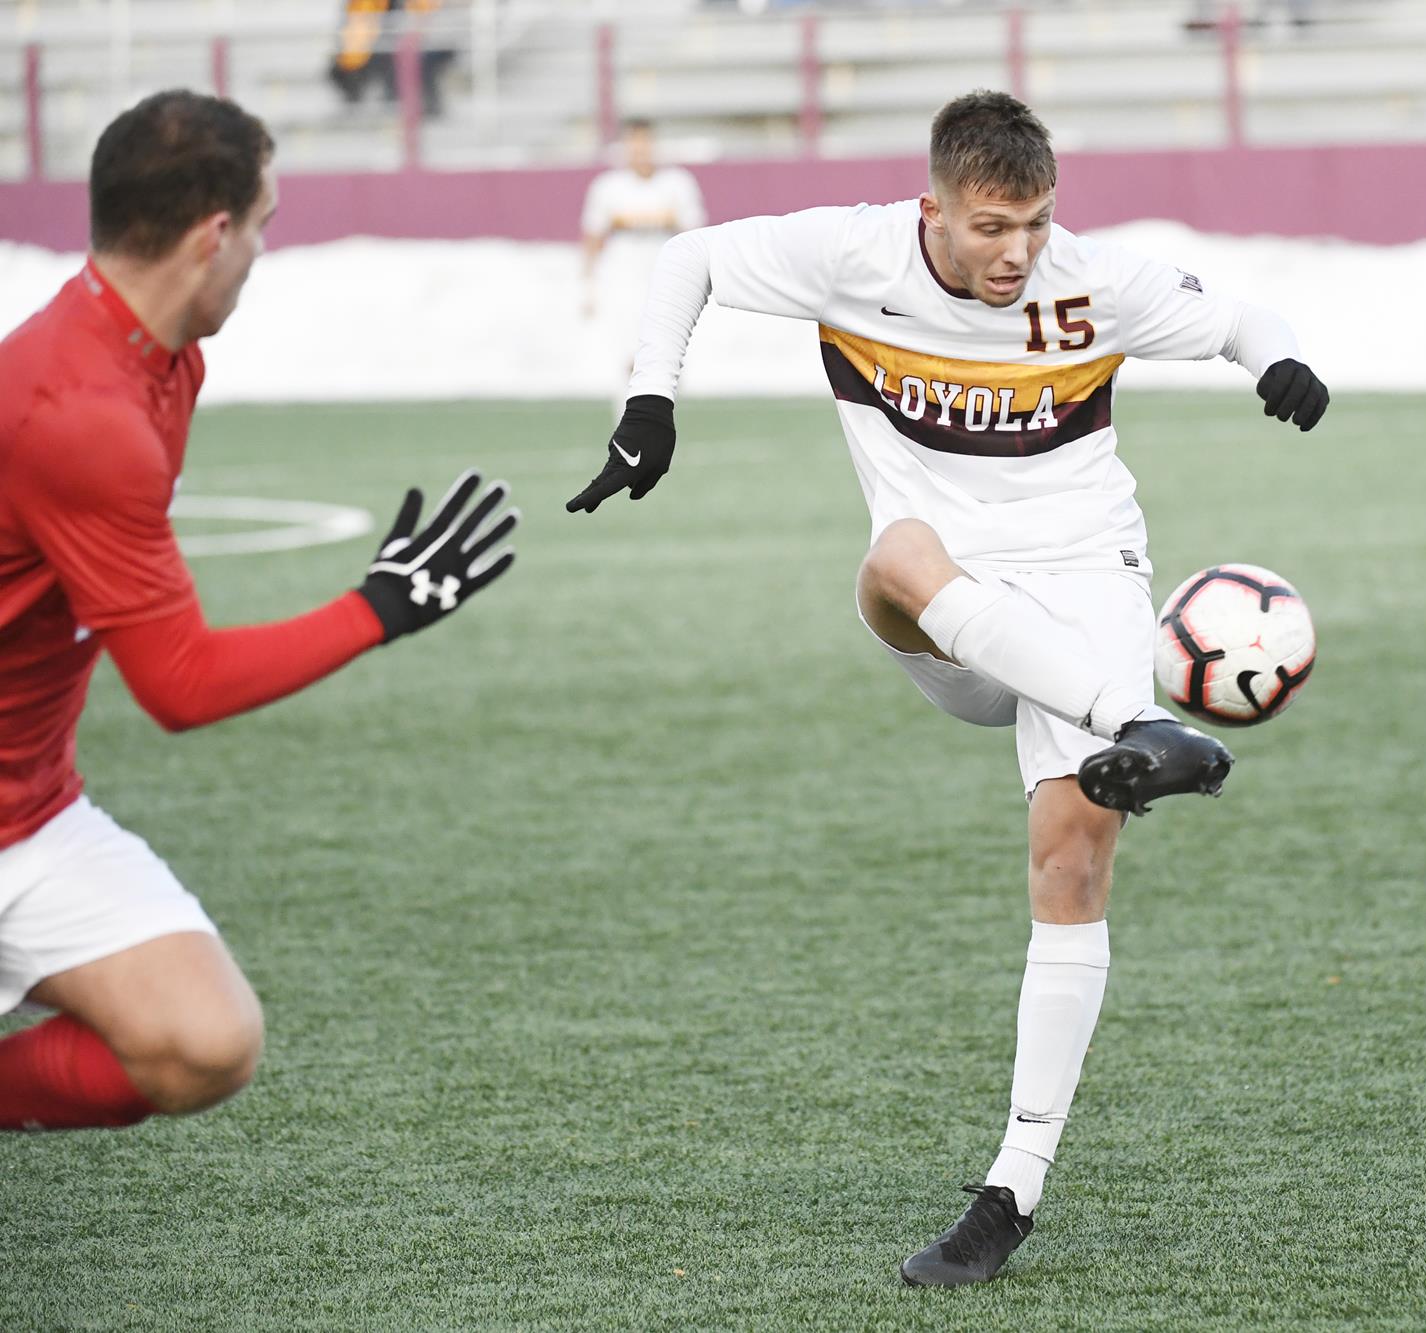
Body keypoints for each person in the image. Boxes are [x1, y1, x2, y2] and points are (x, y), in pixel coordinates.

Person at [566, 90, 1327, 1285]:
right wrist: (648, 401)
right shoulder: (851, 255)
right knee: (892, 560)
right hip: (951, 605)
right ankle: (1137, 724)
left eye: (1032, 222)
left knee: (1070, 857)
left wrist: (1280, 361)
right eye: (988, 226)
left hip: (1084, 580)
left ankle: (1007, 1194)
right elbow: (686, 259)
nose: (1015, 252)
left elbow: (1237, 316)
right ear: (935, 208)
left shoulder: (1089, 280)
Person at [0, 91, 516, 1133]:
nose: (263, 253)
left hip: (30, 810)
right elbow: (179, 686)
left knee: (207, 1041)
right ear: (214, 232)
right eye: (266, 224)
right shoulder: (79, 411)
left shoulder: (168, 362)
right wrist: (380, 607)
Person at [580, 119, 708, 358]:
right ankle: (625, 395)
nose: (640, 150)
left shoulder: (678, 182)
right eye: (634, 143)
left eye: (645, 143)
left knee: (666, 346)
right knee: (628, 346)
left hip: (665, 270)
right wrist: (588, 286)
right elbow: (593, 237)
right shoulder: (607, 186)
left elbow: (694, 232)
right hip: (623, 273)